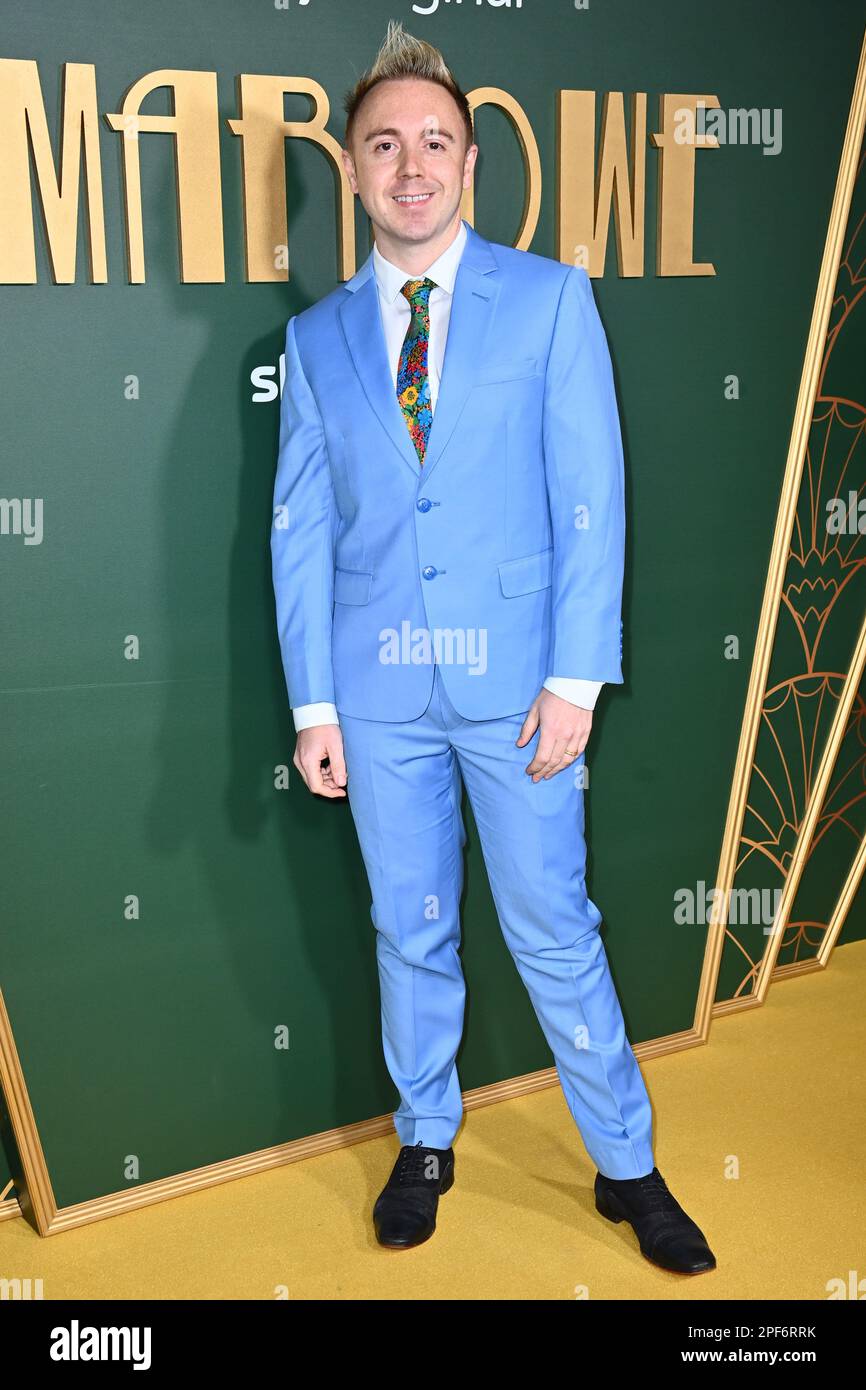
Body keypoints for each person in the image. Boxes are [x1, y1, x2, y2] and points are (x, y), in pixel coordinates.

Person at [271, 20, 715, 1274]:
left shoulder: (549, 299)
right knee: (406, 925)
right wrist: (315, 708)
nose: (410, 167)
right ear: (352, 170)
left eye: (434, 144)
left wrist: (577, 676)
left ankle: (625, 1165)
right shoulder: (313, 344)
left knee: (550, 925)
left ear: (470, 162)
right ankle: (426, 1137)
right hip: (376, 695)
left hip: (521, 690)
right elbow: (298, 536)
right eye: (383, 146)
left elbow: (594, 491)